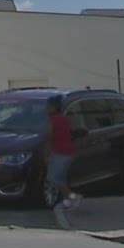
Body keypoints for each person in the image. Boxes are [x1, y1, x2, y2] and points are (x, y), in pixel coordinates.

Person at [45, 95, 80, 228]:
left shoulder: (52, 120)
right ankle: (67, 199)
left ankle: (72, 198)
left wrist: (46, 154)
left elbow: (49, 137)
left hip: (60, 153)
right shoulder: (65, 119)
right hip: (68, 152)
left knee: (55, 178)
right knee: (60, 178)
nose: (47, 108)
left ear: (54, 107)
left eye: (49, 106)